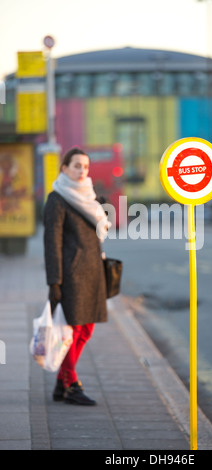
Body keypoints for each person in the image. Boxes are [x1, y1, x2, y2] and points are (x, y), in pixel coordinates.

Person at [43, 147, 111, 406]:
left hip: (93, 272)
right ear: (64, 168)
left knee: (86, 330)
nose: (82, 171)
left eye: (85, 166)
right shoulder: (57, 199)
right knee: (71, 331)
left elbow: (100, 232)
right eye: (76, 166)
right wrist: (54, 282)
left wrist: (103, 210)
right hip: (71, 276)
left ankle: (62, 382)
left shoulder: (90, 197)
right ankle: (71, 383)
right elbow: (52, 243)